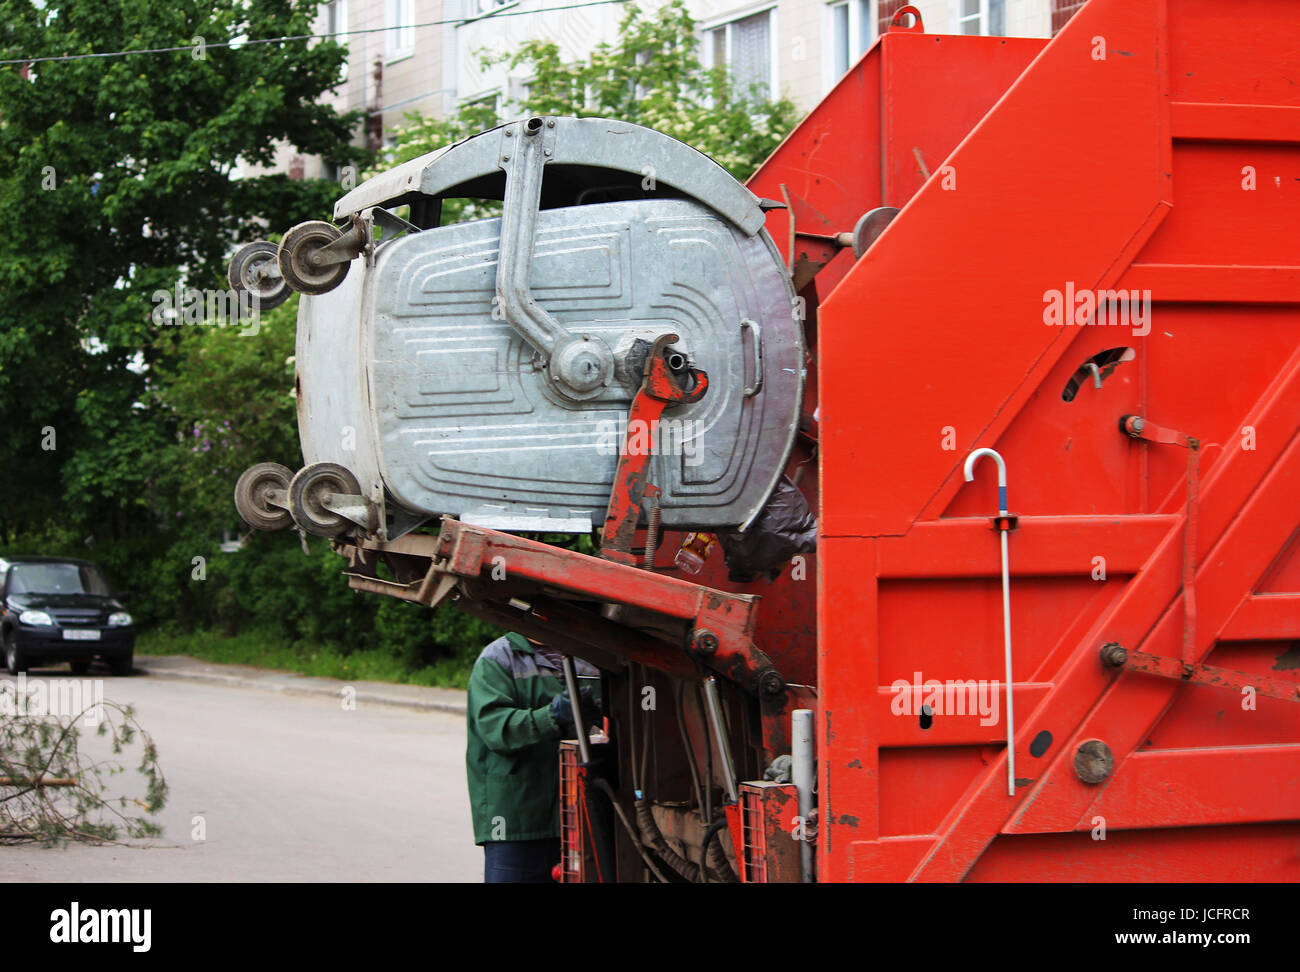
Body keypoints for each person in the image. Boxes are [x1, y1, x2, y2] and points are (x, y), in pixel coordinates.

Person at [465, 631, 598, 883]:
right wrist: (552, 716)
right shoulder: (498, 658)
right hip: (515, 821)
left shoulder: (592, 657)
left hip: (580, 815)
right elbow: (496, 729)